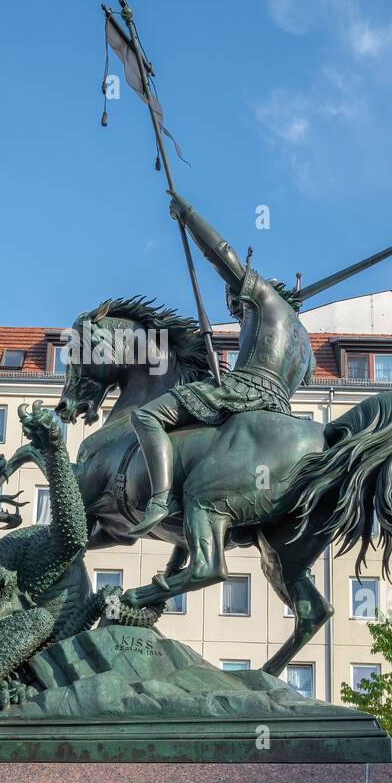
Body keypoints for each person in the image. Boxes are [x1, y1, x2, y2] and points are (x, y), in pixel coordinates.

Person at [128, 193, 315, 536]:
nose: (236, 312)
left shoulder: (264, 298)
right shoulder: (305, 343)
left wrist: (188, 215)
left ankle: (160, 498)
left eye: (236, 305)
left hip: (243, 389)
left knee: (146, 415)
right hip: (279, 409)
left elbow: (222, 254)